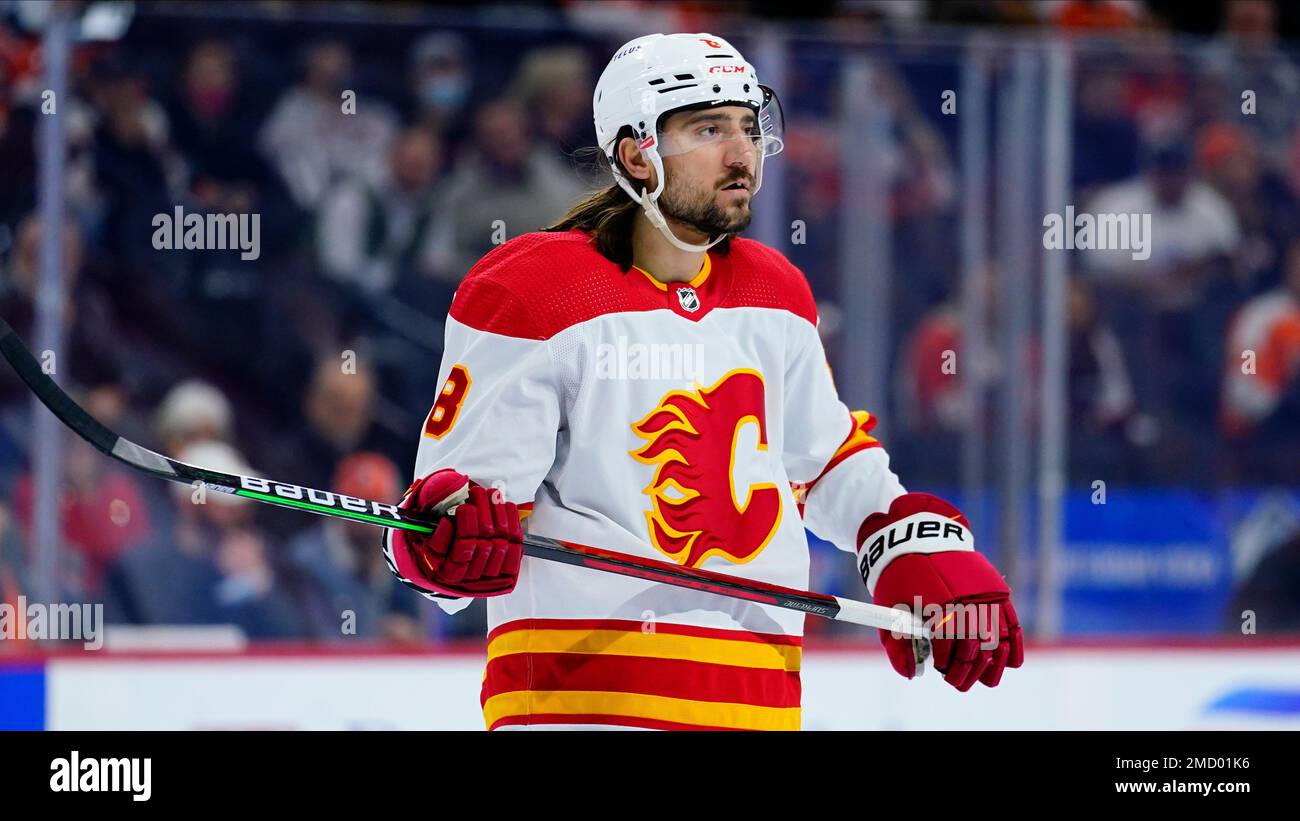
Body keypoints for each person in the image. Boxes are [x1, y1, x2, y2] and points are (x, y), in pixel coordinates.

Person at [382, 33, 1023, 731]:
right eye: (708, 128)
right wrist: (439, 543)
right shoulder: (535, 289)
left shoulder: (775, 291)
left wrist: (911, 541)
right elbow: (452, 522)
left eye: (749, 128)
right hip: (585, 705)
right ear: (636, 153)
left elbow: (823, 459)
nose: (742, 152)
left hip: (758, 704)